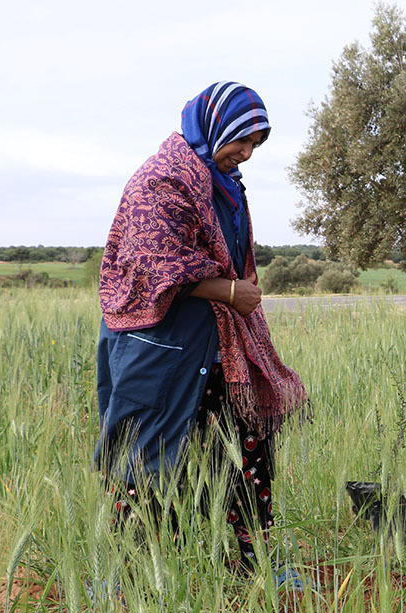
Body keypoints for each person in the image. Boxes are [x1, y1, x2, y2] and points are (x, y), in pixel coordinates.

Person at [95, 82, 307, 575]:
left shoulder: (224, 181)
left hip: (222, 346)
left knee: (247, 449)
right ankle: (134, 580)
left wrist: (235, 292)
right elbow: (153, 261)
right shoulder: (162, 179)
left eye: (256, 144)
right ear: (217, 128)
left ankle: (252, 563)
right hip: (164, 347)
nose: (247, 153)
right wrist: (231, 293)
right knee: (147, 461)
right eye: (243, 140)